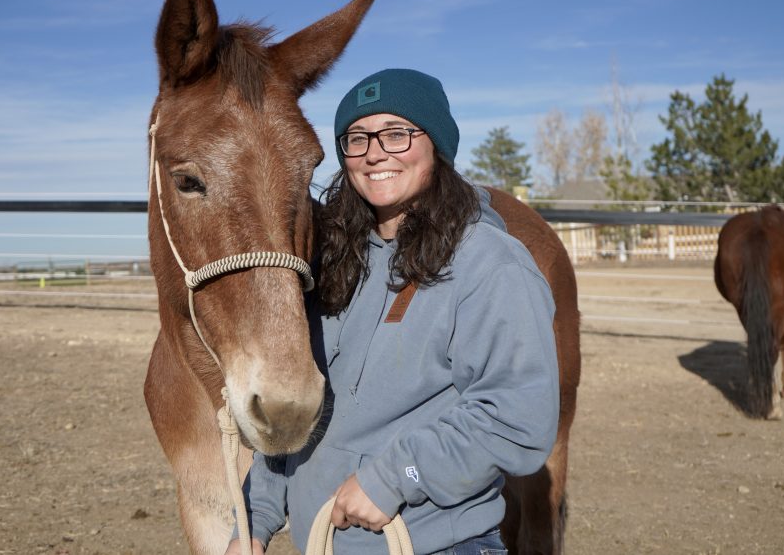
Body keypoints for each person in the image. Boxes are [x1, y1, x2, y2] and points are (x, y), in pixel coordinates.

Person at [226, 68, 559, 555]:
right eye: (357, 138)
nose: (375, 152)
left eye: (397, 133)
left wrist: (394, 478)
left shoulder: (491, 264)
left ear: (436, 145)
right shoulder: (334, 262)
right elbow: (298, 411)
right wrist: (256, 518)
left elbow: (518, 416)